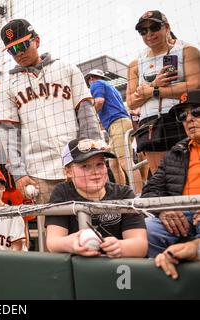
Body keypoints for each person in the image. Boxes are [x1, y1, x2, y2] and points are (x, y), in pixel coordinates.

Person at [0, 19, 103, 250]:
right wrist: (19, 173)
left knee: (89, 228)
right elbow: (8, 133)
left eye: (23, 45)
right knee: (52, 237)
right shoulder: (8, 85)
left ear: (37, 40)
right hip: (38, 172)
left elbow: (86, 114)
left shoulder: (66, 69)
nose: (18, 53)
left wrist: (92, 155)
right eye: (12, 49)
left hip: (76, 164)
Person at [45, 138, 148, 258]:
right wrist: (71, 243)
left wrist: (120, 246)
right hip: (78, 268)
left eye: (100, 164)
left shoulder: (123, 193)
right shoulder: (62, 193)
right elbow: (53, 242)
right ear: (68, 172)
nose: (95, 172)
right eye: (85, 166)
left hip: (119, 267)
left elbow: (140, 245)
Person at [126, 10, 200, 174]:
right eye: (143, 31)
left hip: (182, 118)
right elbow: (131, 102)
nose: (149, 34)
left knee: (192, 172)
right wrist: (153, 86)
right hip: (150, 124)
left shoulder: (187, 51)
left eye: (154, 27)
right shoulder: (135, 64)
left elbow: (195, 85)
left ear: (166, 27)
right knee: (162, 177)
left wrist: (154, 91)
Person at [142, 89, 200, 257]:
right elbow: (149, 191)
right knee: (144, 229)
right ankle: (162, 281)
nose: (189, 119)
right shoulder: (175, 153)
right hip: (181, 215)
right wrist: (164, 210)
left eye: (196, 112)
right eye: (183, 116)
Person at [85, 69, 143, 194]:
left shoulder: (96, 84)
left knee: (125, 161)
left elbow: (99, 101)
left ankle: (140, 196)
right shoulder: (111, 87)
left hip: (118, 124)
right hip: (118, 125)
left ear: (90, 79)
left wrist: (91, 117)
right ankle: (122, 193)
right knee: (114, 164)